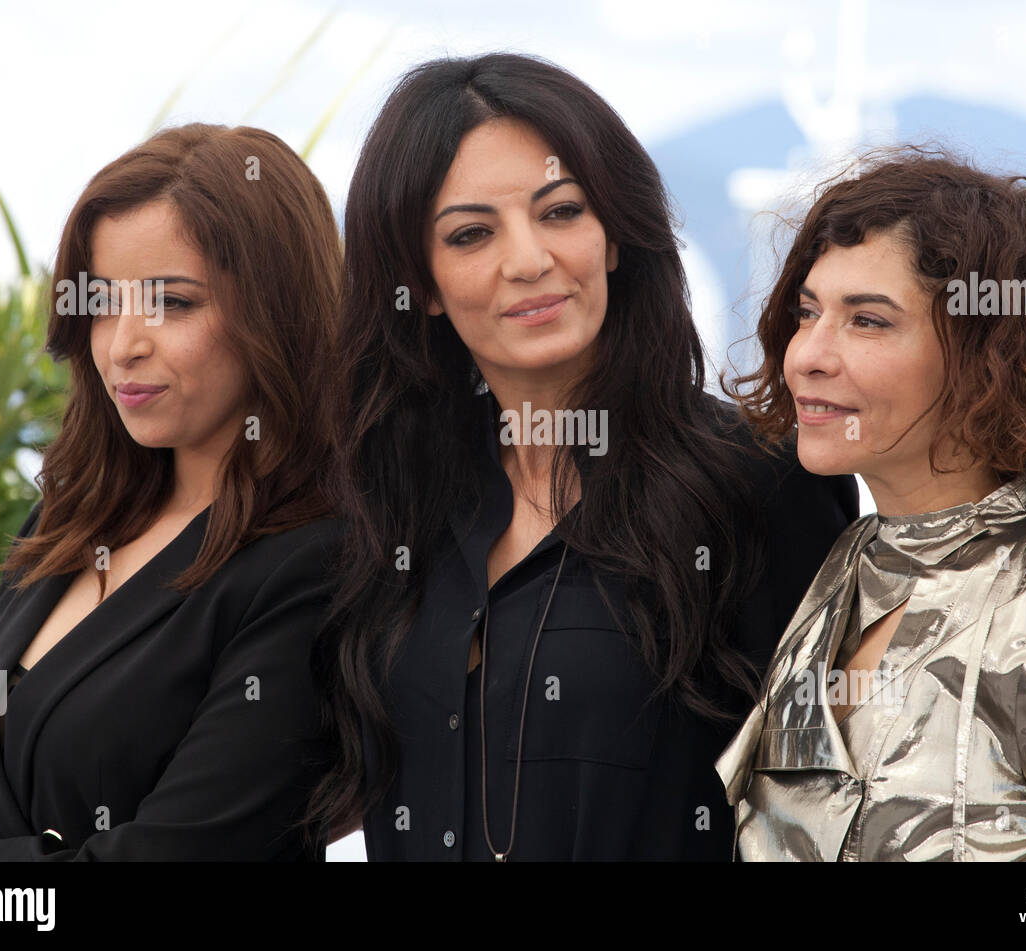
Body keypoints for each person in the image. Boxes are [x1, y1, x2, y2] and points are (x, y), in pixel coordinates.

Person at [306, 52, 858, 861]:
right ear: (419, 282)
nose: (528, 259)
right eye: (470, 233)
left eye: (560, 212)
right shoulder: (389, 504)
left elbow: (823, 811)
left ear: (614, 238)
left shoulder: (757, 482)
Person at [717, 146, 1026, 861]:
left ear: (989, 356)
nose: (806, 354)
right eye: (808, 311)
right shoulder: (836, 571)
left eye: (868, 320)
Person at [0, 123, 344, 861]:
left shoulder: (311, 564)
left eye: (171, 303)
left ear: (279, 312)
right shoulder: (70, 515)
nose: (122, 344)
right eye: (102, 302)